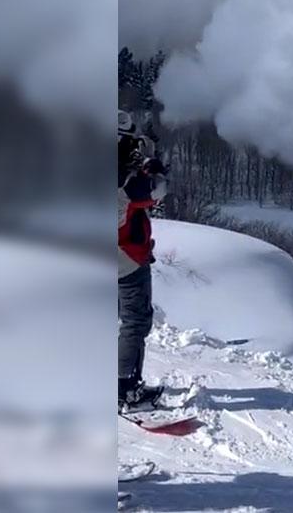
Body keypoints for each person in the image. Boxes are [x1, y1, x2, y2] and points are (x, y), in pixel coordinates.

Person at [118, 110, 169, 411]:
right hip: (125, 259)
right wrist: (154, 169)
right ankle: (125, 389)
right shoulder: (126, 180)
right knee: (135, 321)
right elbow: (157, 190)